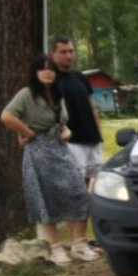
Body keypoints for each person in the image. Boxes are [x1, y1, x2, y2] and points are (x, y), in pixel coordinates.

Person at [0, 54, 99, 267]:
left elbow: (61, 122)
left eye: (51, 69)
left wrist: (66, 131)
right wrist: (28, 133)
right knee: (45, 199)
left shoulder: (56, 95)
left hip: (59, 149)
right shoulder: (27, 94)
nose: (48, 73)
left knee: (79, 193)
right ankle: (55, 249)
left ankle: (79, 245)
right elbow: (7, 116)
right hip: (38, 151)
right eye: (43, 69)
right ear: (35, 73)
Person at [49, 36, 105, 183]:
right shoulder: (51, 80)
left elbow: (92, 107)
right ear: (52, 53)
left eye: (71, 51)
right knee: (74, 183)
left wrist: (99, 132)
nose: (68, 55)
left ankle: (85, 207)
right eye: (63, 52)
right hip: (71, 141)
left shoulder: (79, 77)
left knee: (93, 181)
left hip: (92, 138)